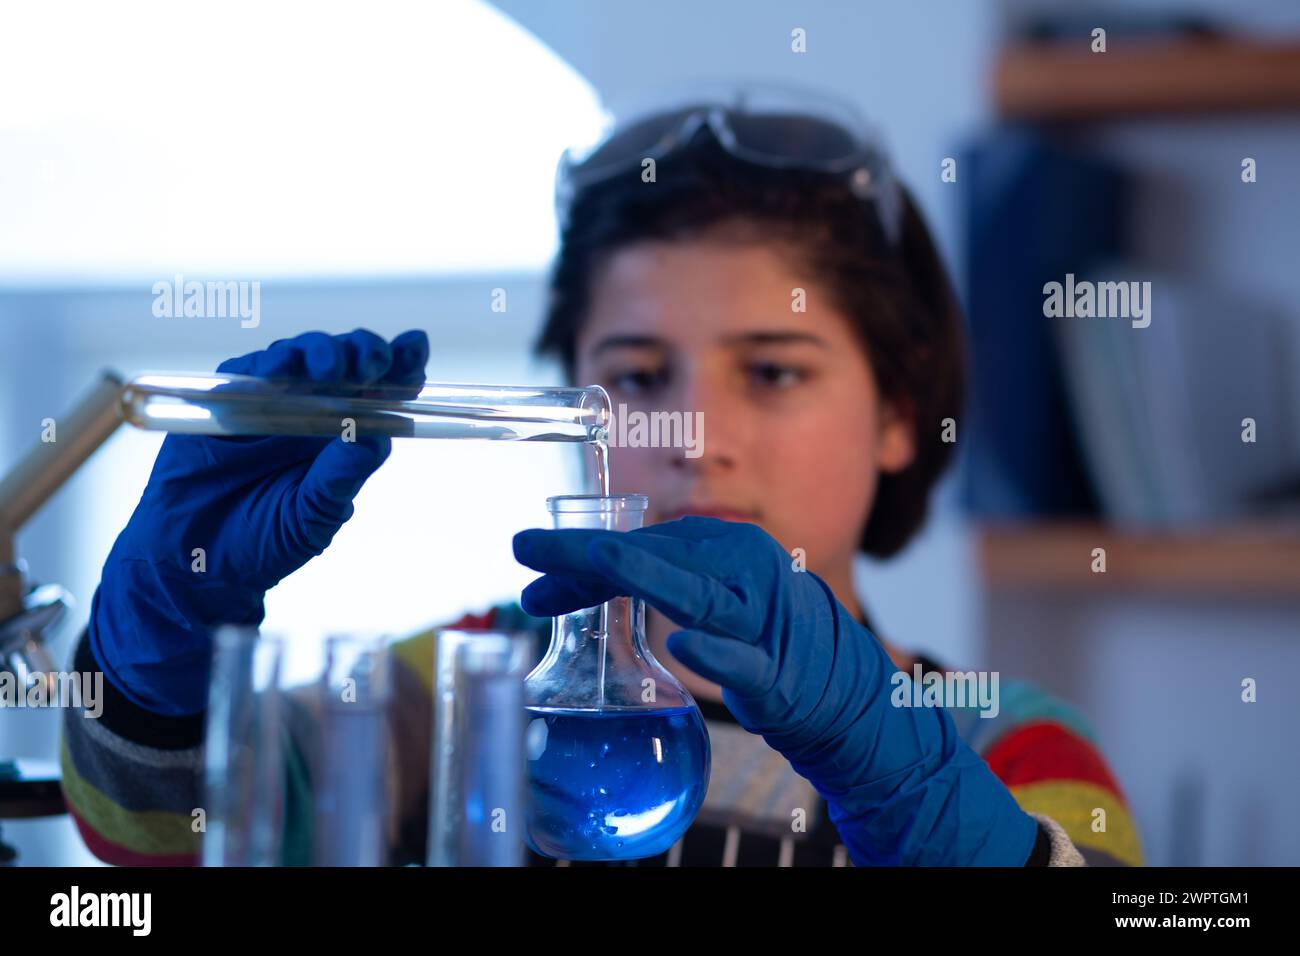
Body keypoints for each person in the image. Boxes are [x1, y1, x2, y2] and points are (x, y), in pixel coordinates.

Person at [60, 87, 1143, 867]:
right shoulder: (458, 691)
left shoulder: (1008, 742)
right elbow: (163, 848)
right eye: (634, 373)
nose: (692, 435)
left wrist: (928, 813)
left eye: (772, 369)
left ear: (901, 414)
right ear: (573, 400)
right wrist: (158, 650)